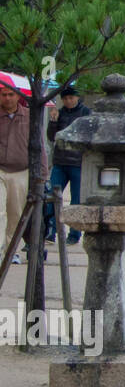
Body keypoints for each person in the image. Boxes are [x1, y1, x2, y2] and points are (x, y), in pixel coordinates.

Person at [0, 81, 47, 266]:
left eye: (10, 94)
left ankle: (12, 251)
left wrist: (42, 174)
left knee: (16, 214)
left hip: (21, 171)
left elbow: (40, 146)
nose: (7, 98)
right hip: (0, 170)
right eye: (3, 94)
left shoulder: (29, 116)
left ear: (18, 96)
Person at [44, 86, 91, 244]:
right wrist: (53, 122)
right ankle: (50, 230)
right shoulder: (60, 113)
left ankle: (74, 234)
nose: (68, 101)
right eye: (65, 99)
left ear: (77, 97)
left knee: (76, 200)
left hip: (79, 163)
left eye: (71, 98)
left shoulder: (86, 113)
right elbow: (51, 137)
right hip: (60, 162)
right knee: (52, 197)